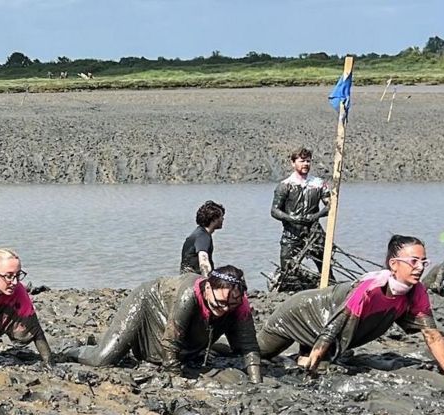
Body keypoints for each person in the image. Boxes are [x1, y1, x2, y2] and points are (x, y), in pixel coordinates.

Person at [256, 235, 444, 383]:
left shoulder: (416, 292)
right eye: (413, 262)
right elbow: (335, 325)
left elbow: (432, 335)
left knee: (324, 362)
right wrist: (316, 357)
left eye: (423, 262)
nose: (420, 267)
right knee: (256, 352)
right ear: (394, 264)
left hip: (326, 322)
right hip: (300, 311)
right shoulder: (370, 287)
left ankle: (305, 354)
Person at [62, 266, 263, 383]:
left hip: (180, 323)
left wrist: (256, 380)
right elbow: (171, 341)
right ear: (208, 288)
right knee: (103, 358)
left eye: (232, 304)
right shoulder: (189, 295)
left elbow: (249, 347)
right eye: (220, 303)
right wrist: (176, 378)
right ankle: (73, 350)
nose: (226, 308)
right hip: (148, 302)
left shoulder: (238, 302)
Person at [270, 147, 330, 283]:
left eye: (308, 161)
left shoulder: (319, 184)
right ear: (293, 163)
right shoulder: (285, 185)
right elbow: (274, 211)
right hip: (291, 233)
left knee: (326, 268)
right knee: (287, 271)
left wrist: (316, 216)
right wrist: (292, 218)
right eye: (302, 161)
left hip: (314, 232)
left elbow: (330, 205)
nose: (305, 164)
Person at [180, 200, 225, 276]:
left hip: (187, 277)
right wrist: (207, 281)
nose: (223, 219)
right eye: (221, 217)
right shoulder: (203, 236)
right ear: (214, 219)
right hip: (195, 278)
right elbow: (203, 260)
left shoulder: (199, 233)